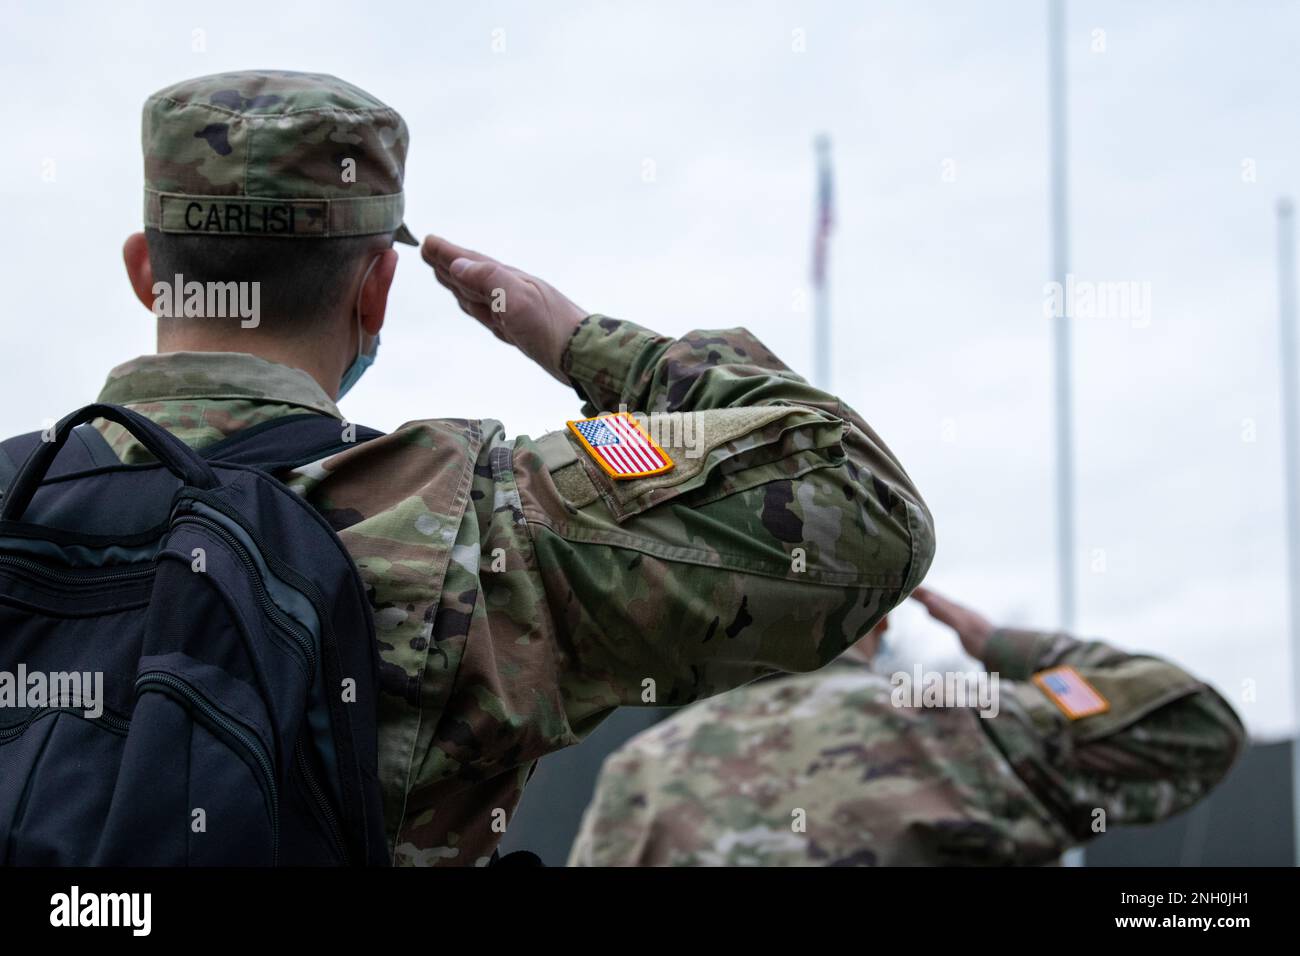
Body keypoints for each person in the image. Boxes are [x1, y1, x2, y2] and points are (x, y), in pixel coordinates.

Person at [40, 70, 934, 865]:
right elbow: (866, 503)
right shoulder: (466, 526)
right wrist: (577, 338)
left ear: (147, 270)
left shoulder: (18, 495)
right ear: (375, 292)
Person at [568, 586, 1245, 866]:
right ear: (882, 619)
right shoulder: (963, 718)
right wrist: (1003, 647)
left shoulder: (645, 768)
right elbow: (1196, 721)